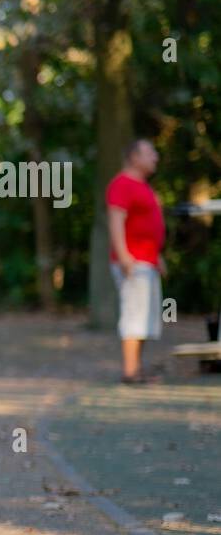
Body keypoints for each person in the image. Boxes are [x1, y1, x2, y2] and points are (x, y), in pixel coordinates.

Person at [106, 138, 166, 384]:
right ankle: (130, 371)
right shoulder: (122, 184)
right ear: (134, 157)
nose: (155, 157)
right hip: (133, 261)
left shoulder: (143, 186)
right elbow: (116, 219)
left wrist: (158, 256)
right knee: (134, 315)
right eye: (150, 153)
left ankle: (137, 369)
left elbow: (148, 225)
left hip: (147, 260)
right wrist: (124, 256)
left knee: (145, 317)